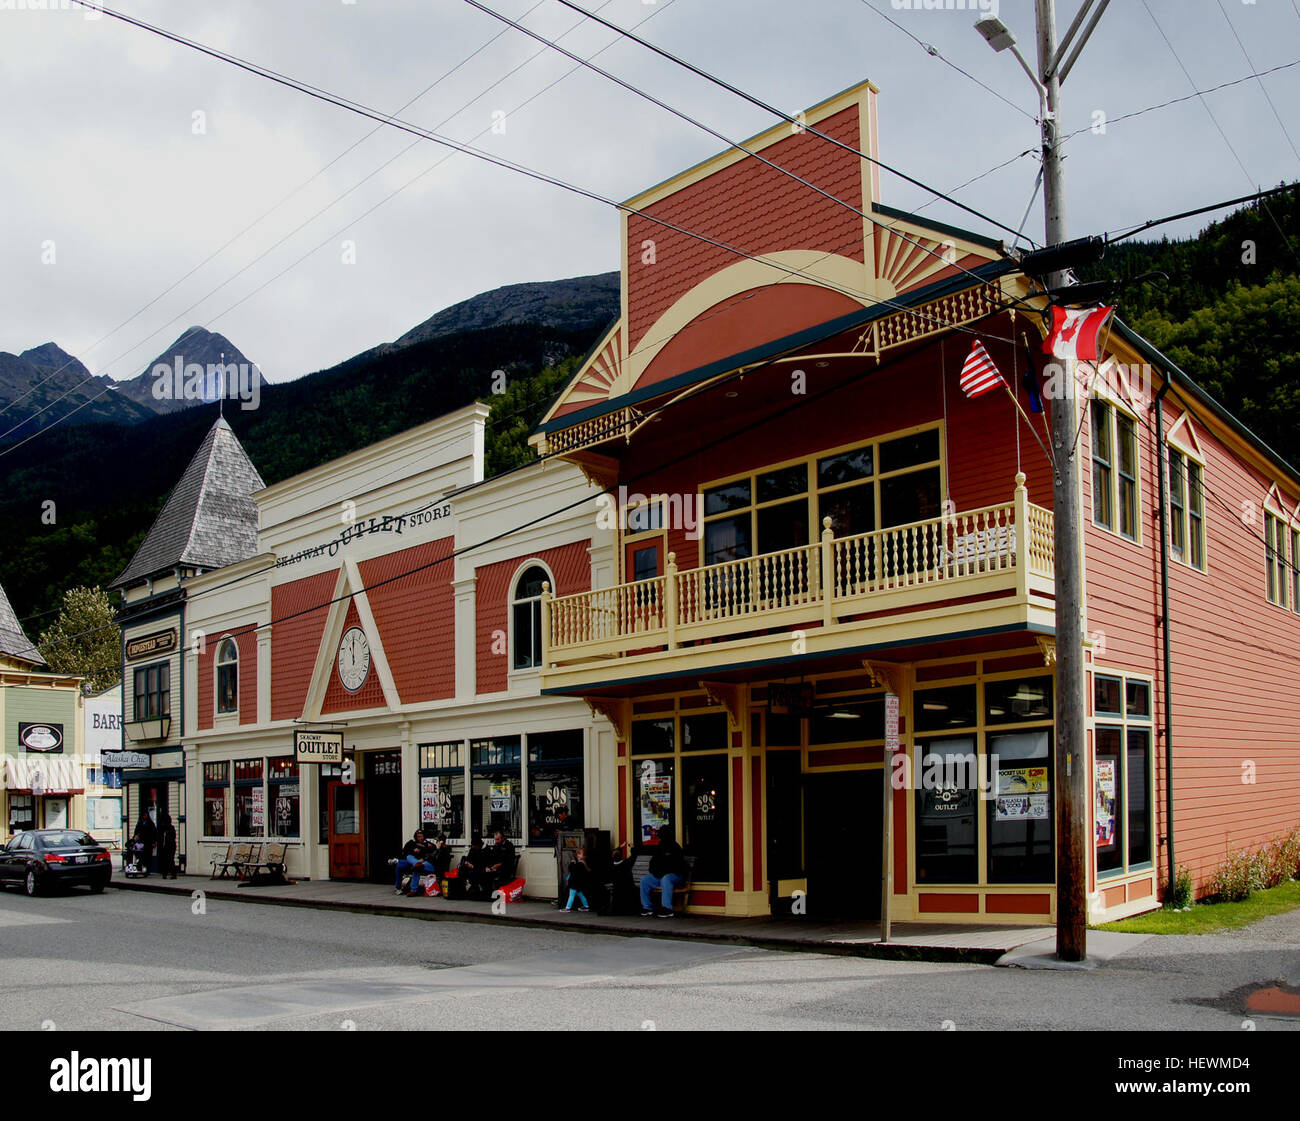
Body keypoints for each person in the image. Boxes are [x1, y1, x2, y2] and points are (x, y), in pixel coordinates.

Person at [640, 838, 687, 917]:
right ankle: (647, 907)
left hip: (676, 876)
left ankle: (667, 908)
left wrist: (663, 870)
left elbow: (678, 867)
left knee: (666, 878)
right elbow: (652, 866)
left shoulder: (675, 849)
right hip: (660, 875)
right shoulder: (659, 849)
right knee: (645, 880)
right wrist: (658, 872)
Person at [394, 830, 435, 896]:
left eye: (421, 836)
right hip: (412, 861)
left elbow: (432, 853)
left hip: (423, 863)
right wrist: (413, 850)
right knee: (406, 859)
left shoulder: (427, 844)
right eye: (418, 837)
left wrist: (424, 858)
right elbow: (404, 852)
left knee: (417, 868)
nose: (420, 838)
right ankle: (398, 888)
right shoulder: (411, 842)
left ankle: (413, 890)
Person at [562, 847, 592, 912]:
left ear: (584, 856)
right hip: (578, 883)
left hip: (574, 883)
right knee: (580, 895)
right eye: (578, 854)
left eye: (580, 854)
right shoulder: (582, 864)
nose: (578, 855)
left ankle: (567, 908)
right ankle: (586, 906)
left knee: (571, 895)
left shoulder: (580, 864)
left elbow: (572, 870)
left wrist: (572, 863)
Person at [132, 812, 156, 878]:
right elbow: (136, 831)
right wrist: (135, 837)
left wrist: (154, 842)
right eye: (144, 815)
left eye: (146, 815)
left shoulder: (150, 823)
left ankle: (147, 870)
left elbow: (154, 833)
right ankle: (140, 868)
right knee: (140, 856)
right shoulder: (140, 822)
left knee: (148, 856)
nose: (145, 816)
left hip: (148, 842)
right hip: (141, 842)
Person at [157, 813, 177, 879]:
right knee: (164, 860)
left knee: (171, 860)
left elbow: (172, 837)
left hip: (170, 846)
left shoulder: (171, 828)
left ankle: (173, 874)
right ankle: (164, 873)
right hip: (164, 846)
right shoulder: (162, 829)